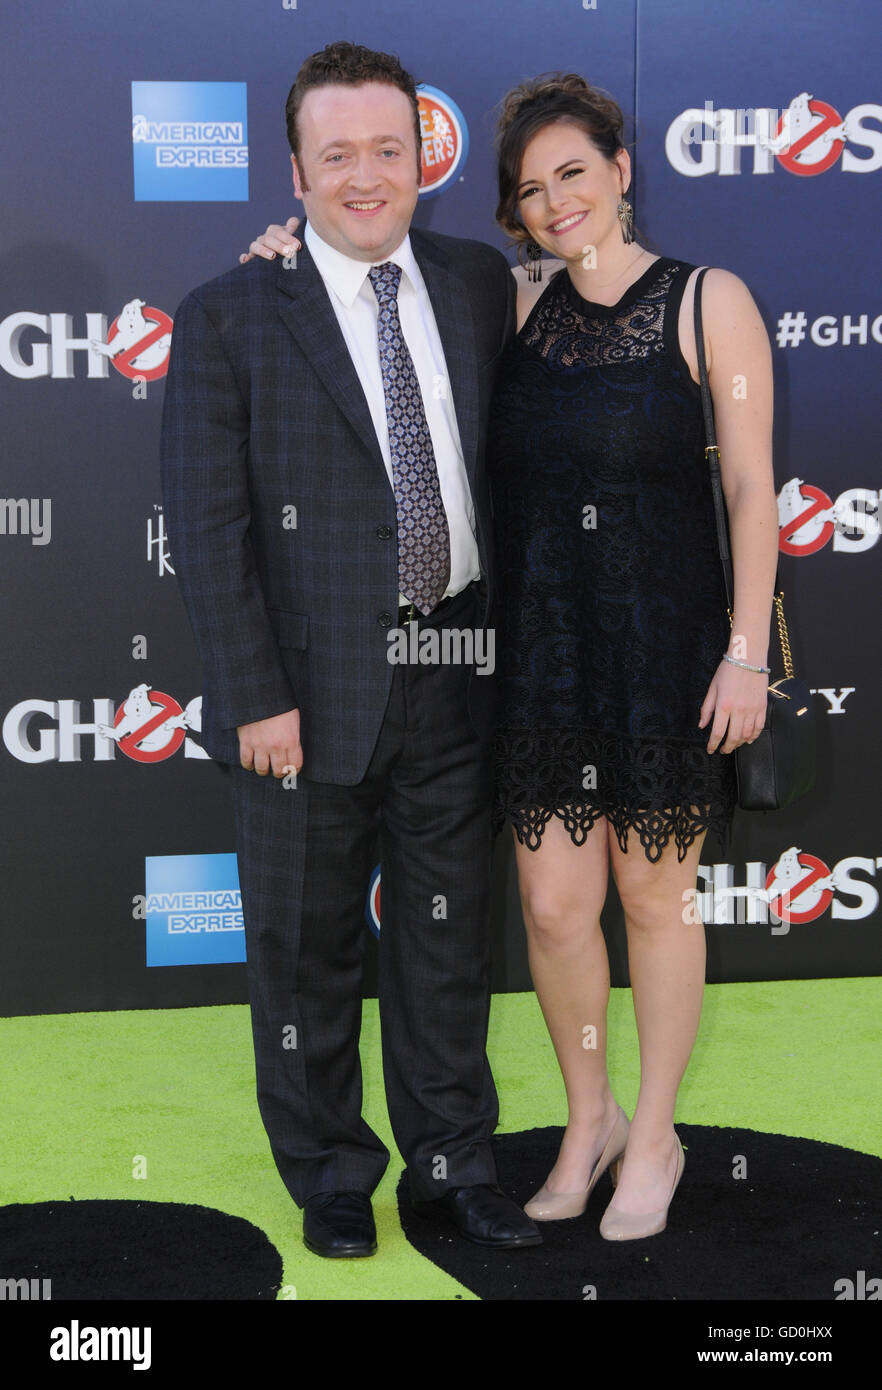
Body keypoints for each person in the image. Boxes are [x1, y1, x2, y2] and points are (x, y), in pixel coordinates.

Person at [243, 73, 778, 1241]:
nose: (556, 202)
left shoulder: (707, 302)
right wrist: (291, 244)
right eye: (532, 191)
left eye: (574, 173)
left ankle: (656, 1136)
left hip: (668, 653)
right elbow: (365, 285)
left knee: (653, 897)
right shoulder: (512, 297)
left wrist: (747, 651)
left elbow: (749, 485)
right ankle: (587, 1118)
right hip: (541, 662)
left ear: (623, 169)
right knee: (548, 907)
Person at [160, 40, 541, 1259]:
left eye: (389, 149)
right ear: (296, 169)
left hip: (457, 675)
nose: (366, 176)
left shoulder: (480, 281)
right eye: (339, 155)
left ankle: (450, 1168)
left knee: (445, 944)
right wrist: (256, 697)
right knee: (304, 952)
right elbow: (210, 530)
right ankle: (331, 1172)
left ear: (420, 156)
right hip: (302, 698)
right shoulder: (229, 312)